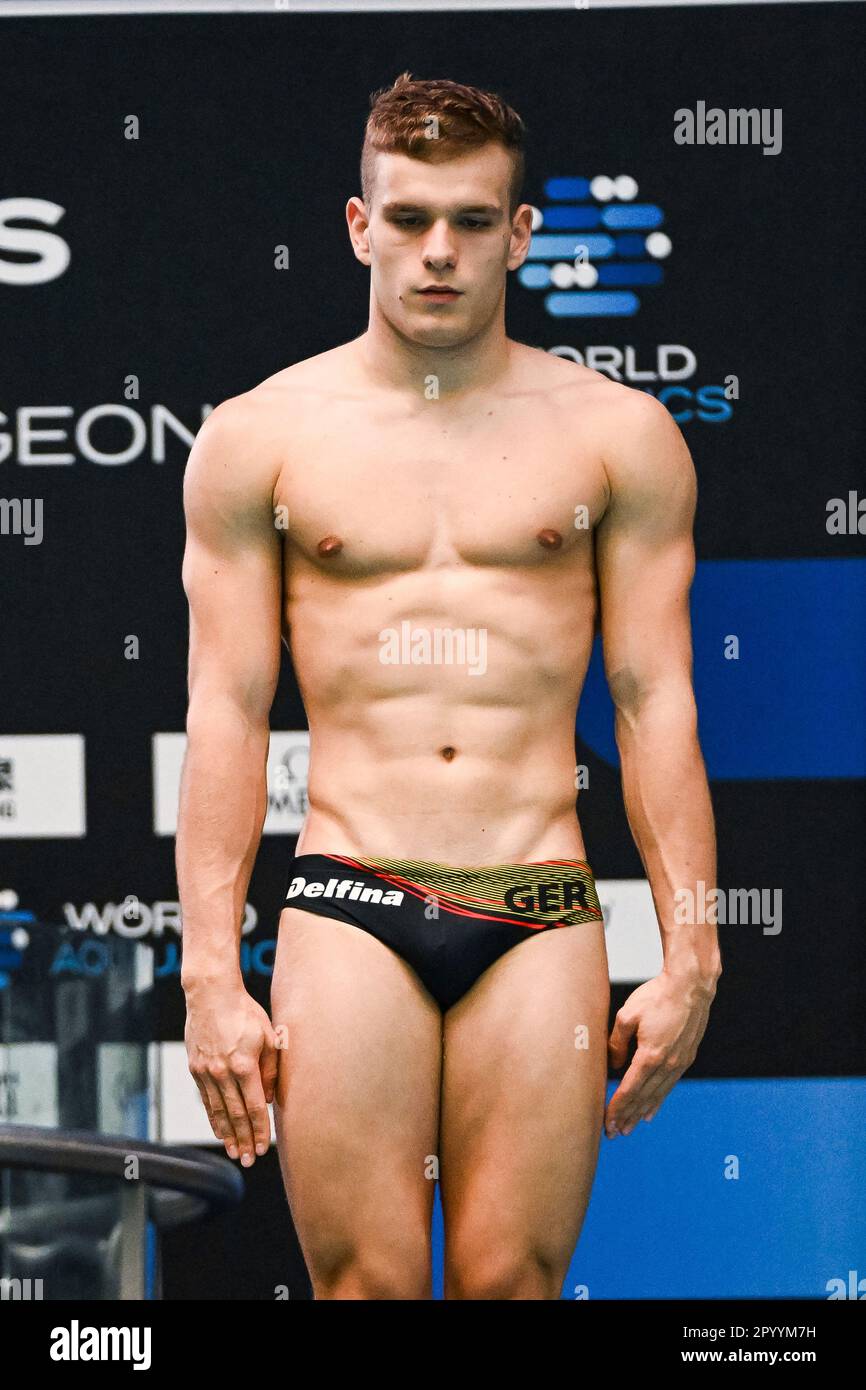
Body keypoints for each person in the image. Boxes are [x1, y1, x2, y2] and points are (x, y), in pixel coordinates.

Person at [177, 72, 721, 1300]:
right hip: (346, 889)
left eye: (472, 222)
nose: (438, 253)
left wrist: (691, 952)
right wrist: (210, 972)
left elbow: (653, 696)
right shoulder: (261, 437)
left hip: (536, 900)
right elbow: (225, 707)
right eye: (409, 218)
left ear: (519, 234)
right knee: (363, 1286)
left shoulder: (616, 435)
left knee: (509, 1284)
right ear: (358, 226)